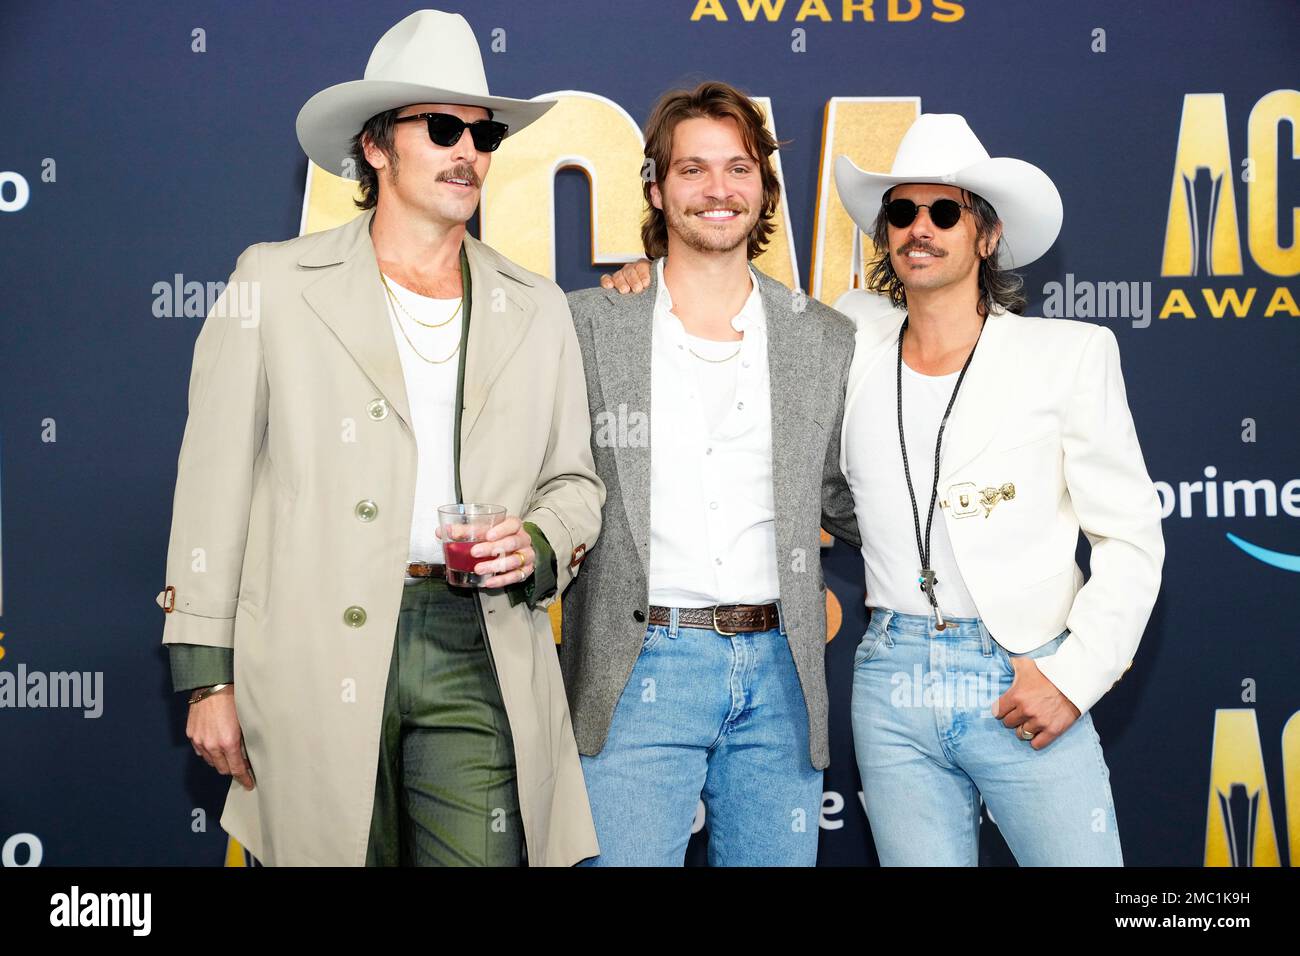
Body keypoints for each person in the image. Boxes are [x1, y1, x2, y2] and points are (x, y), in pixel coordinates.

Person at [157, 9, 603, 866]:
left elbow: (574, 483)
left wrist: (540, 540)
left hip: (476, 642)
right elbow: (210, 485)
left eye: (484, 132)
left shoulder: (537, 304)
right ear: (375, 146)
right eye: (442, 127)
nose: (468, 150)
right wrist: (208, 673)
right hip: (309, 644)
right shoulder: (275, 282)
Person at [831, 113, 1164, 865]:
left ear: (985, 235)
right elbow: (735, 315)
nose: (921, 227)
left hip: (1021, 673)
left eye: (945, 210)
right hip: (890, 678)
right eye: (902, 211)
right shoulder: (849, 335)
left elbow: (1131, 538)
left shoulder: (1069, 355)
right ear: (885, 233)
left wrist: (1074, 678)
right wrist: (645, 278)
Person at [564, 81, 859, 866]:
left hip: (782, 678)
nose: (718, 190)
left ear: (764, 187)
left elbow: (852, 494)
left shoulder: (825, 338)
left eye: (738, 168)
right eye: (692, 170)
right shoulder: (586, 325)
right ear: (657, 191)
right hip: (637, 669)